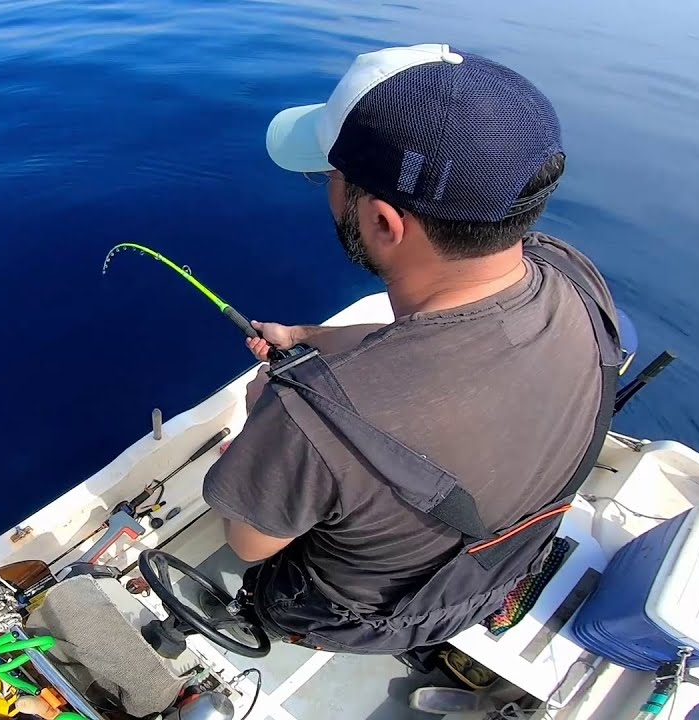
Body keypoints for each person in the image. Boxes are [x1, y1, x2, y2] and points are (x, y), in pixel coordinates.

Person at [202, 43, 621, 652]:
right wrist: (307, 341)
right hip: (503, 562)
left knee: (266, 574)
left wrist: (267, 411)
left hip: (363, 615)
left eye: (330, 177)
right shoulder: (571, 275)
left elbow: (247, 542)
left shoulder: (306, 416)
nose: (327, 189)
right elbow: (439, 345)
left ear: (382, 222)